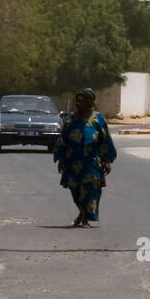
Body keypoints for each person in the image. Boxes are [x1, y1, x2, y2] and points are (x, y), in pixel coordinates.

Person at [53, 88, 117, 228]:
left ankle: (85, 218)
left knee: (91, 189)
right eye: (77, 100)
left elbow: (105, 140)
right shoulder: (71, 118)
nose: (78, 103)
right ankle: (82, 212)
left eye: (82, 101)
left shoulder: (98, 118)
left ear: (89, 102)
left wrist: (107, 161)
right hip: (72, 160)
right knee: (74, 189)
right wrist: (61, 158)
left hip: (92, 161)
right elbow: (63, 138)